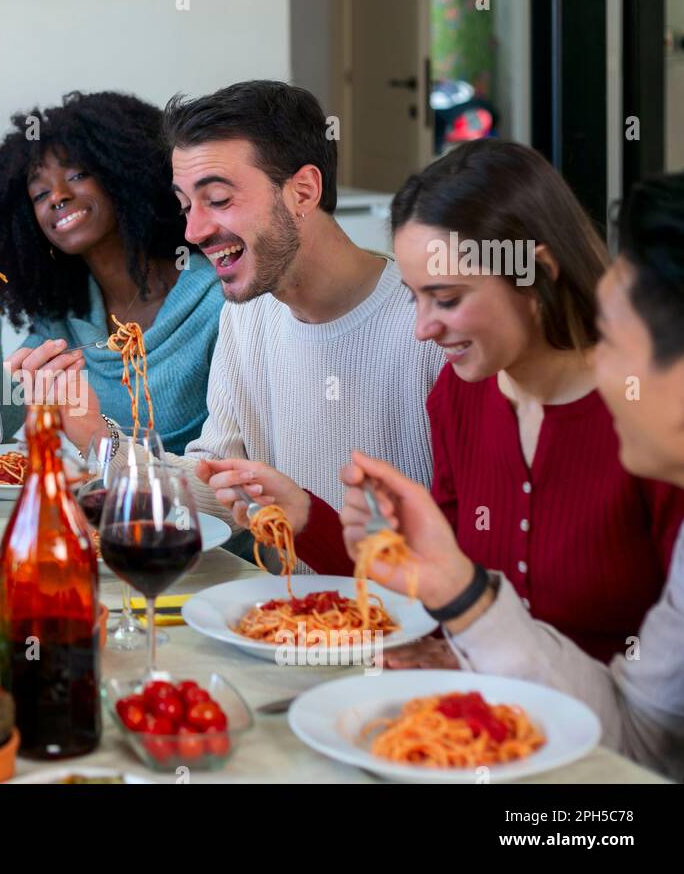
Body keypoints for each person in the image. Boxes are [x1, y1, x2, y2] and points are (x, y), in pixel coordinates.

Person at [263, 140, 684, 665]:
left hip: (613, 741)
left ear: (537, 276)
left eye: (448, 299)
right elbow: (437, 596)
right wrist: (308, 518)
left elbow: (662, 696)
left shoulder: (654, 419)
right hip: (487, 723)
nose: (422, 329)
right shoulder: (458, 396)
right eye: (415, 298)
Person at [336, 173, 684, 780]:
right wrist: (459, 596)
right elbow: (639, 732)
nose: (603, 367)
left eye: (613, 340)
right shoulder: (459, 397)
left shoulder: (649, 454)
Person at [27, 81, 442, 549]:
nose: (194, 230)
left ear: (303, 192)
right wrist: (98, 437)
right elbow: (220, 491)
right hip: (279, 612)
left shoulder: (432, 327)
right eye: (185, 206)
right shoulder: (247, 316)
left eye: (218, 200)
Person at [0, 91, 222, 451]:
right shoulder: (66, 319)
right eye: (39, 195)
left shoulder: (216, 300)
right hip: (99, 504)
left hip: (199, 505)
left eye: (77, 174)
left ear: (124, 174)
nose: (57, 195)